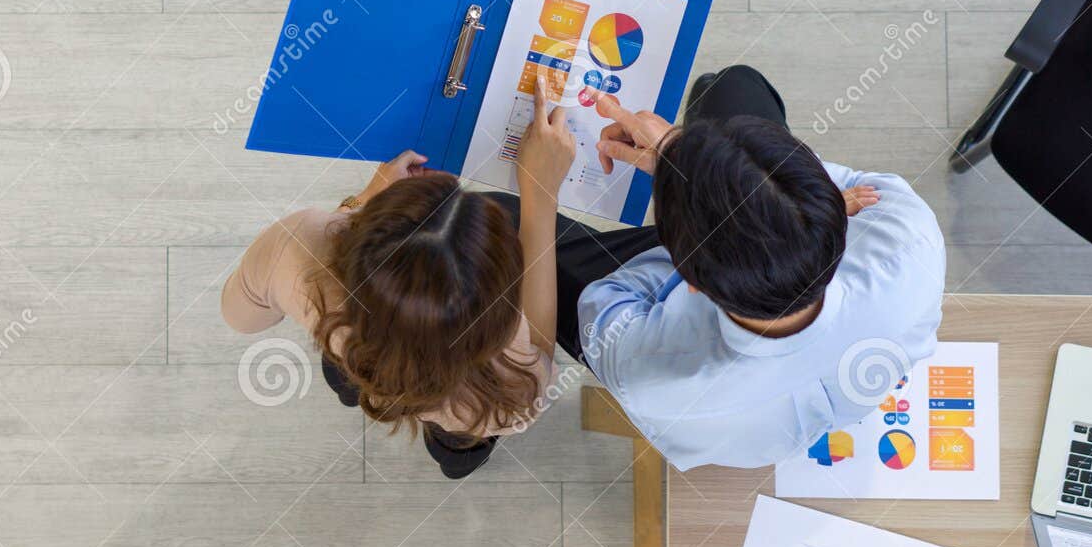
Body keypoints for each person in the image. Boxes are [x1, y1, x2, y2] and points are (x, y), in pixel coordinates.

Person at [558, 65, 946, 471]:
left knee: (526, 246)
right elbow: (816, 185)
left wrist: (683, 171)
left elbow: (608, 298)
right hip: (719, 276)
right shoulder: (909, 239)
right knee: (734, 85)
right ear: (833, 217)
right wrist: (682, 163)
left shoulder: (649, 374)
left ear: (686, 276)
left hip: (669, 291)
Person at [221, 78, 577, 478]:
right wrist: (541, 194)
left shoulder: (297, 244)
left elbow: (239, 317)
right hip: (468, 407)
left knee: (349, 378)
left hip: (356, 355)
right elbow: (540, 347)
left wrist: (361, 201)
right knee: (459, 445)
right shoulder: (512, 392)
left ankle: (351, 387)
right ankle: (454, 459)